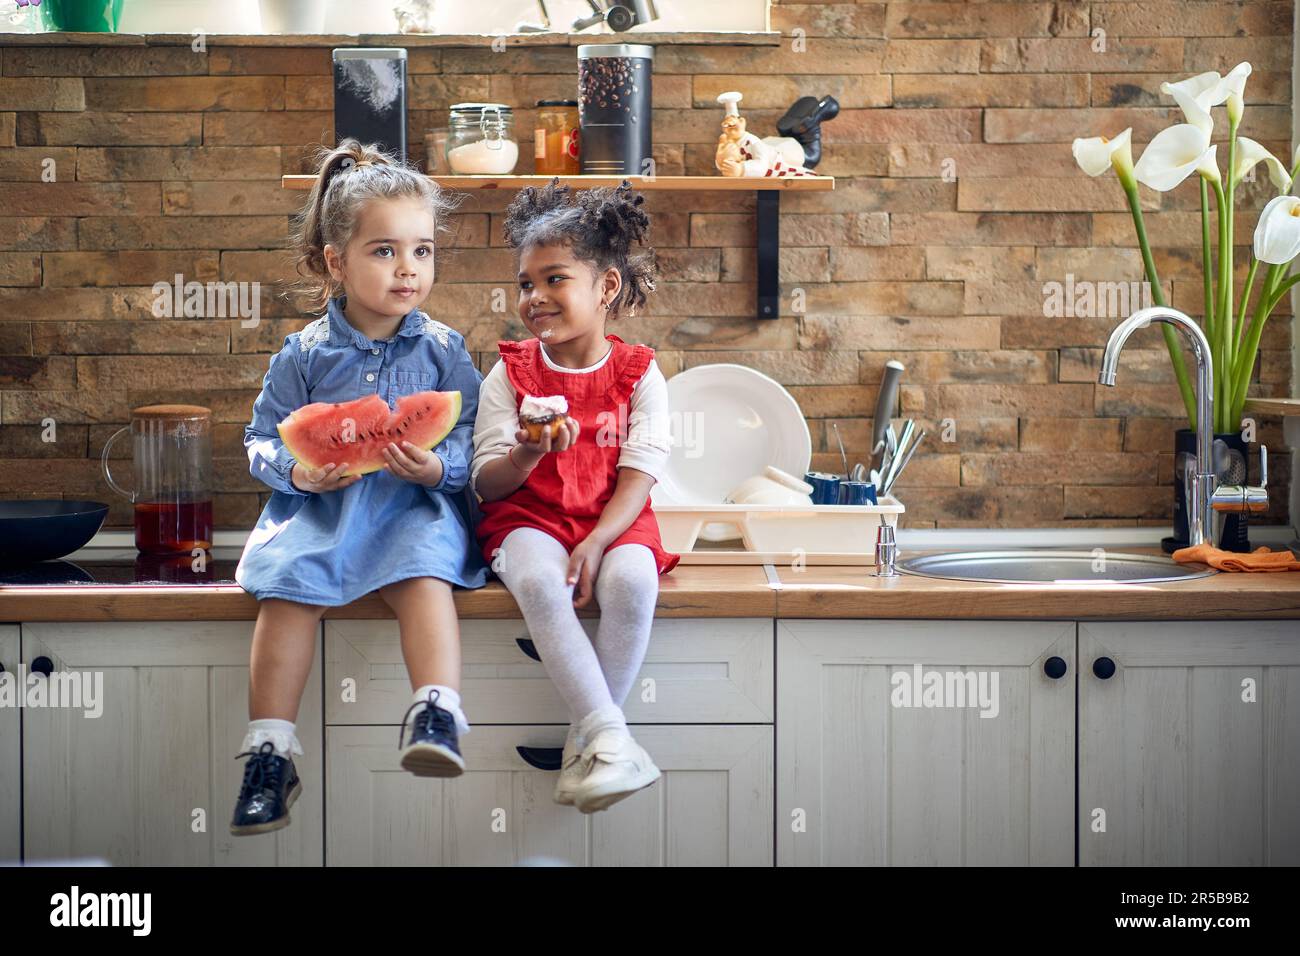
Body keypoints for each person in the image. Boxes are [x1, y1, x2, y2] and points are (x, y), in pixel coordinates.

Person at [230, 140, 487, 836]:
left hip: (411, 507)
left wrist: (439, 470)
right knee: (285, 594)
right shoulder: (305, 353)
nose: (408, 268)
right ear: (335, 260)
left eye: (423, 251)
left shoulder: (444, 350)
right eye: (384, 251)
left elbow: (467, 437)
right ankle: (269, 754)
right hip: (321, 510)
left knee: (425, 574)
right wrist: (297, 471)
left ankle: (436, 711)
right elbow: (261, 438)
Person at [471, 178, 679, 814]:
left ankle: (583, 747)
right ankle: (610, 740)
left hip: (615, 520)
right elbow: (484, 480)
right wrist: (529, 451)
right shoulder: (510, 372)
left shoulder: (640, 374)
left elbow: (640, 474)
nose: (534, 297)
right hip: (528, 518)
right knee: (540, 580)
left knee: (633, 585)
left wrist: (596, 541)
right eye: (526, 283)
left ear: (606, 287)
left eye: (554, 279)